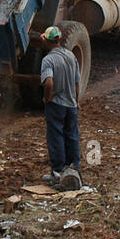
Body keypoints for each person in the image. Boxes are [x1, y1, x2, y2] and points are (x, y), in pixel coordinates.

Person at [38, 26, 82, 190]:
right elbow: (77, 82)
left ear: (47, 41)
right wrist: (77, 100)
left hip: (56, 104)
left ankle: (57, 171)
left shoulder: (48, 60)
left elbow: (48, 82)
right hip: (71, 104)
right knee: (72, 135)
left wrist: (47, 97)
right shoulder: (71, 56)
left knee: (56, 137)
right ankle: (74, 168)